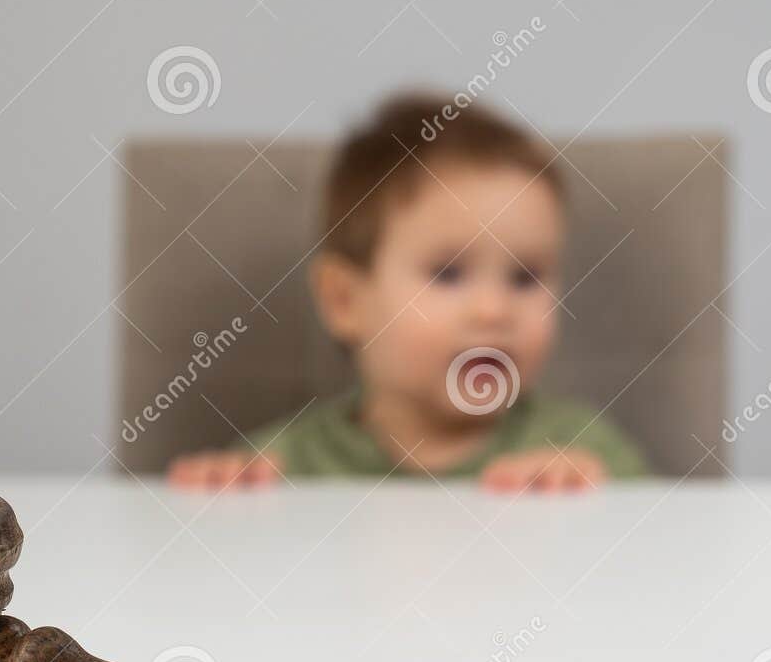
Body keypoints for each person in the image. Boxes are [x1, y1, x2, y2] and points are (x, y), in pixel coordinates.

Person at [167, 92, 650, 493]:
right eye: (448, 274)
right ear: (346, 302)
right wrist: (220, 498)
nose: (494, 310)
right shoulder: (285, 465)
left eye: (525, 277)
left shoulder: (585, 454)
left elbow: (661, 562)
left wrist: (593, 508)